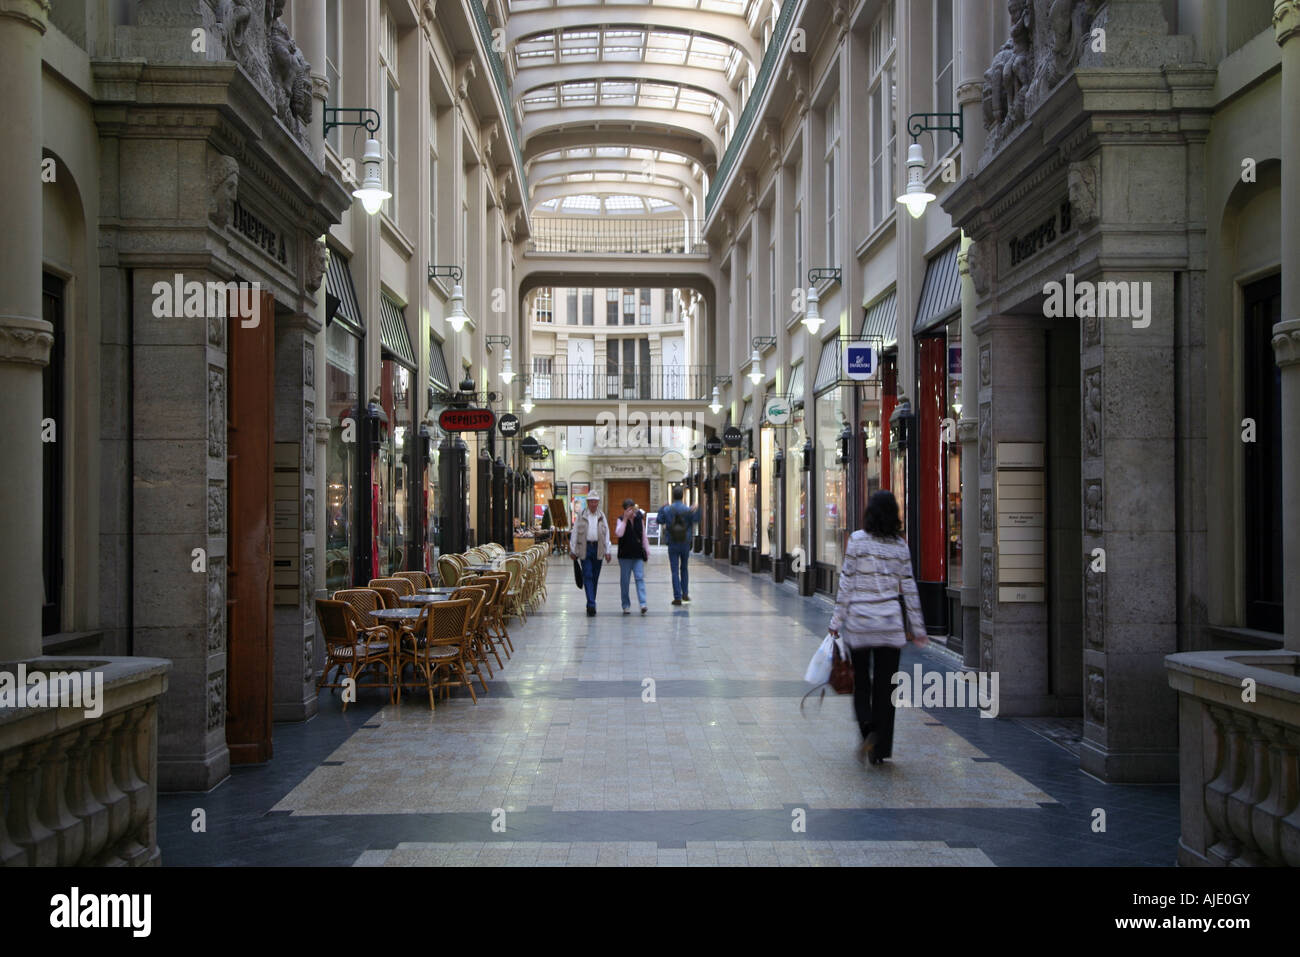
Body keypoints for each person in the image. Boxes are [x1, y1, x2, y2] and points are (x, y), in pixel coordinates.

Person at [828, 490, 928, 767]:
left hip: (860, 625)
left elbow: (846, 584)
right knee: (886, 688)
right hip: (889, 626)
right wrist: (918, 629)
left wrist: (836, 622)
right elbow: (909, 588)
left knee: (862, 684)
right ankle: (880, 749)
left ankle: (867, 728)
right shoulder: (900, 546)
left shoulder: (857, 541)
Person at [569, 488, 613, 616]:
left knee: (595, 577)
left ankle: (590, 601)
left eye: (595, 502)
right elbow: (575, 532)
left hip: (598, 549)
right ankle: (592, 603)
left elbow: (607, 534)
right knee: (587, 575)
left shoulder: (601, 516)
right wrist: (573, 549)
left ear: (598, 503)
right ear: (588, 503)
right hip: (585, 548)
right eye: (591, 502)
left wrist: (608, 551)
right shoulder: (581, 515)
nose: (593, 504)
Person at [657, 486, 700, 606]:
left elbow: (659, 520)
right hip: (685, 542)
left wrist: (662, 507)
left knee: (674, 570)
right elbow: (696, 520)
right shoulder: (687, 509)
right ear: (683, 496)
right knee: (684, 568)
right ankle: (685, 593)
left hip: (672, 542)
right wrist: (695, 509)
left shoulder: (667, 509)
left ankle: (677, 597)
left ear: (673, 496)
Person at [615, 498, 650, 615]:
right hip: (624, 556)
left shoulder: (639, 519)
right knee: (625, 581)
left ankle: (643, 603)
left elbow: (643, 535)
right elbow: (619, 533)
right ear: (624, 510)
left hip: (637, 555)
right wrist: (625, 519)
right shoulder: (620, 520)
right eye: (629, 509)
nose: (632, 512)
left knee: (639, 578)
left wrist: (647, 550)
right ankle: (625, 605)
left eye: (633, 509)